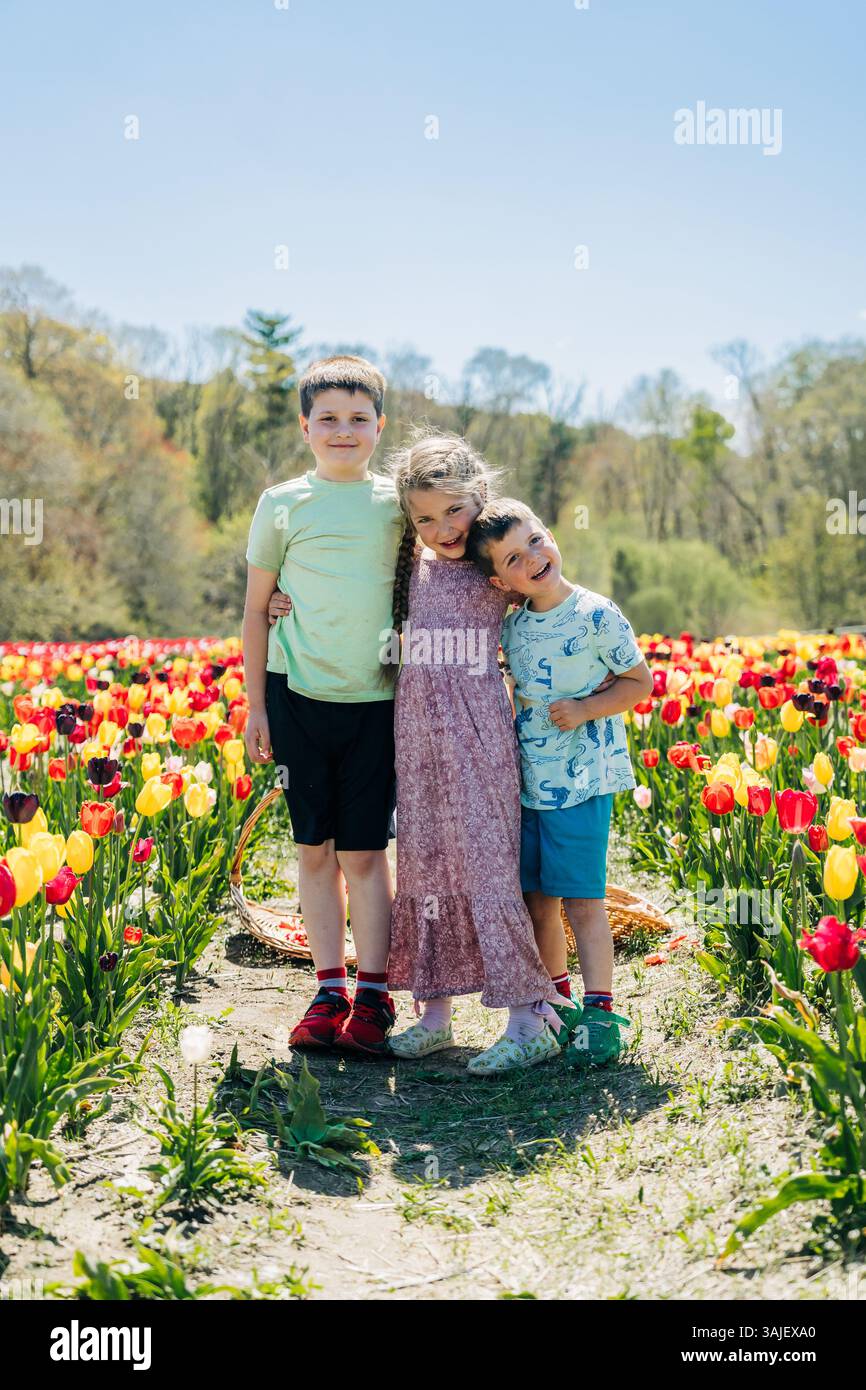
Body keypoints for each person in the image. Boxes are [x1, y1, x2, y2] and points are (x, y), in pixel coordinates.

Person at [242, 355, 404, 1055]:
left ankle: (373, 994)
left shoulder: (398, 504)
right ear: (305, 426)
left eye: (358, 419)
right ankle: (327, 985)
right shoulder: (282, 503)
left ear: (380, 426)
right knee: (314, 850)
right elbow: (255, 611)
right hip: (297, 695)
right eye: (329, 419)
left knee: (366, 854)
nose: (344, 430)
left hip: (376, 701)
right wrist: (256, 708)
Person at [465, 499, 654, 1066]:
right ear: (501, 581)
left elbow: (639, 683)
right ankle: (556, 1002)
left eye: (536, 541)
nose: (534, 559)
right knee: (536, 900)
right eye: (515, 559)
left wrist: (588, 707)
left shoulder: (597, 614)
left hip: (581, 784)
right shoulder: (514, 626)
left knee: (583, 900)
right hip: (527, 787)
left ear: (550, 535)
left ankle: (600, 1015)